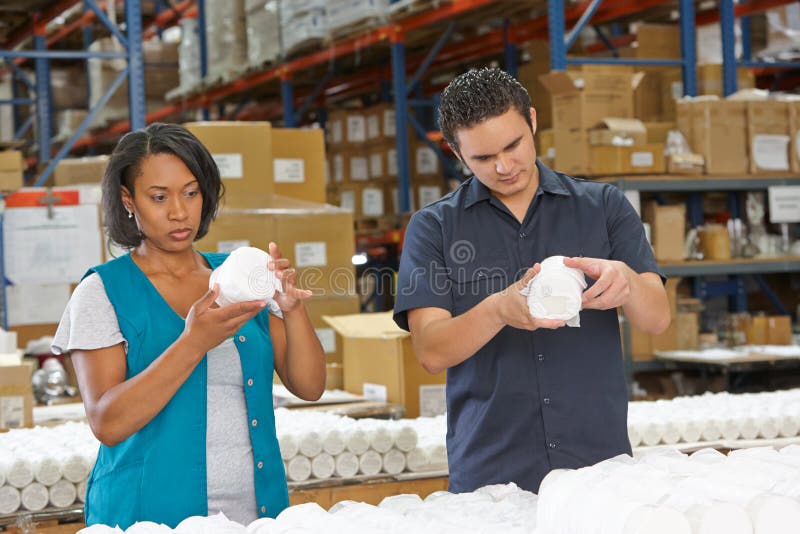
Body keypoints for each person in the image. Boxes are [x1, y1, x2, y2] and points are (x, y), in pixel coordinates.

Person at [393, 68, 670, 494]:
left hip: (598, 470)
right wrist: (498, 309)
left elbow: (657, 321)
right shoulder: (434, 228)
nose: (504, 167)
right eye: (483, 158)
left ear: (533, 121)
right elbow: (431, 351)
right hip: (491, 477)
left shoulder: (603, 208)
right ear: (456, 152)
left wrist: (628, 282)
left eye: (513, 145)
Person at [51, 123, 325, 528]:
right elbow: (107, 423)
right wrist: (193, 342)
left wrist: (292, 309)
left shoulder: (236, 277)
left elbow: (309, 386)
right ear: (128, 200)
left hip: (253, 515)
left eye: (191, 193)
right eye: (158, 197)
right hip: (148, 518)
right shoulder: (103, 291)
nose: (179, 212)